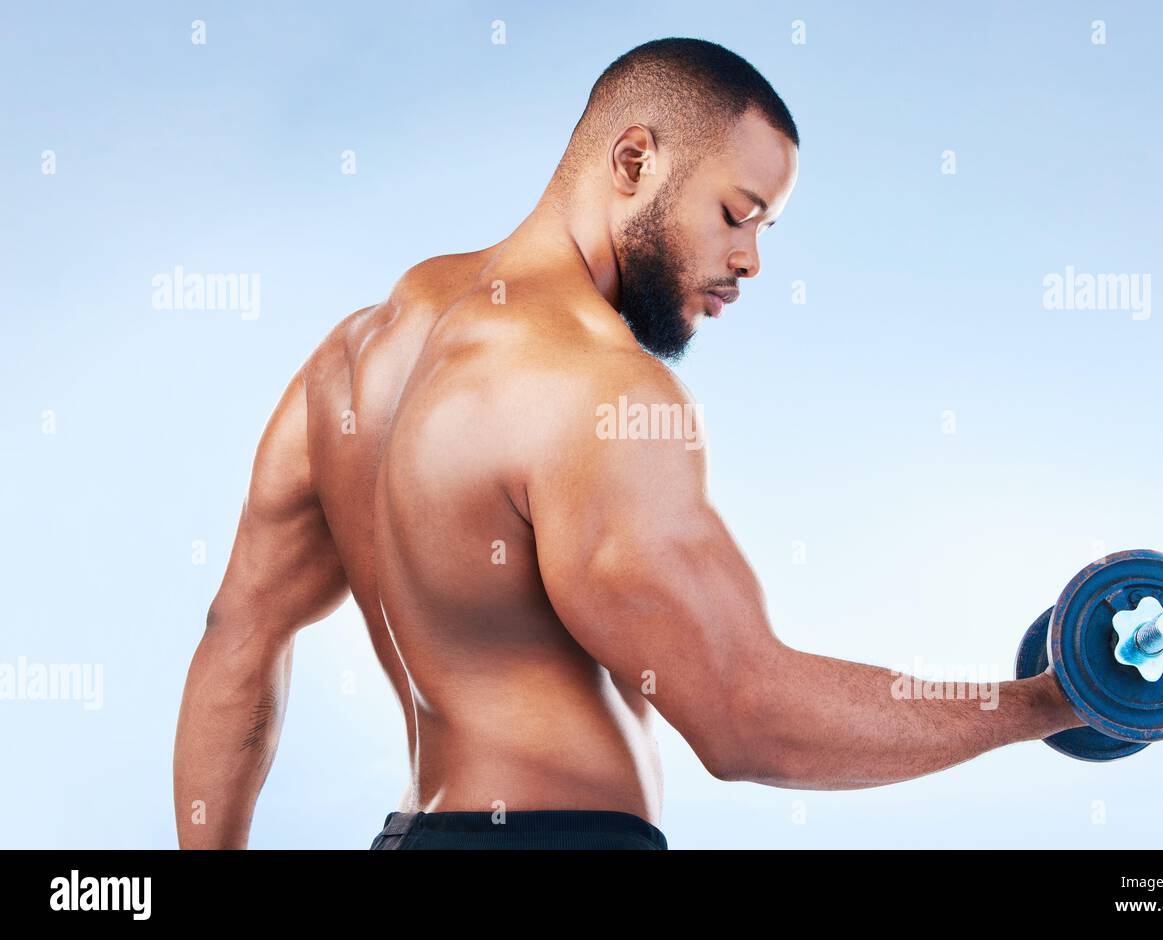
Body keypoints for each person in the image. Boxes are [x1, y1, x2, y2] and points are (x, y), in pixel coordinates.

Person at [173, 37, 1084, 851]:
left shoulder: (352, 359)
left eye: (767, 229)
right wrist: (1047, 704)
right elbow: (744, 716)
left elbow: (239, 632)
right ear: (635, 159)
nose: (752, 260)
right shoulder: (598, 386)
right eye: (737, 213)